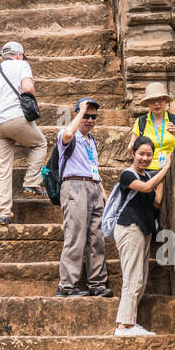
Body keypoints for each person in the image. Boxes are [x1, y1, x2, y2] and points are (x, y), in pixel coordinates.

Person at [0, 39, 47, 226]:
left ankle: (4, 213)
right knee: (39, 144)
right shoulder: (22, 64)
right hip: (15, 118)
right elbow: (28, 87)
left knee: (1, 170)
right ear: (19, 55)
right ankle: (31, 181)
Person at [113, 138, 172, 338]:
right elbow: (146, 188)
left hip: (143, 230)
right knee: (132, 276)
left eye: (149, 155)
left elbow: (156, 201)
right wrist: (166, 169)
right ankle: (124, 325)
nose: (145, 158)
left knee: (140, 278)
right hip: (129, 228)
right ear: (133, 153)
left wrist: (162, 177)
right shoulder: (127, 174)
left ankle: (129, 322)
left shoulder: (148, 175)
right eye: (141, 154)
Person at [57, 96, 111, 298]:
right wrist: (79, 112)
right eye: (86, 116)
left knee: (97, 238)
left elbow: (93, 168)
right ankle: (67, 286)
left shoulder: (92, 141)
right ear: (77, 114)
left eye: (93, 117)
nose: (89, 120)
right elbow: (69, 133)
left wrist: (103, 192)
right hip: (74, 186)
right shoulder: (67, 133)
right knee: (75, 236)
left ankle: (97, 283)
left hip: (93, 186)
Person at [126, 82, 175, 170]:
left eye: (160, 100)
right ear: (148, 103)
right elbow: (131, 147)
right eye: (152, 100)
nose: (156, 103)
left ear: (165, 101)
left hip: (171, 169)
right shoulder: (141, 121)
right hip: (147, 170)